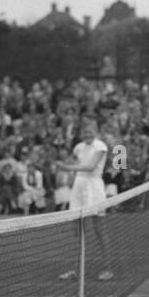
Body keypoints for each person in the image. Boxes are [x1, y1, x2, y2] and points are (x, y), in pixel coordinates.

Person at [56, 120, 115, 281]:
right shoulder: (78, 147)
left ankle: (107, 269)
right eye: (85, 132)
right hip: (78, 188)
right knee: (77, 230)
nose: (87, 134)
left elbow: (90, 167)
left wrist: (68, 168)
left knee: (99, 230)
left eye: (90, 131)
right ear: (81, 133)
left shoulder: (101, 146)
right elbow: (72, 160)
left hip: (94, 188)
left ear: (96, 132)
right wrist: (61, 163)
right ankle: (75, 269)